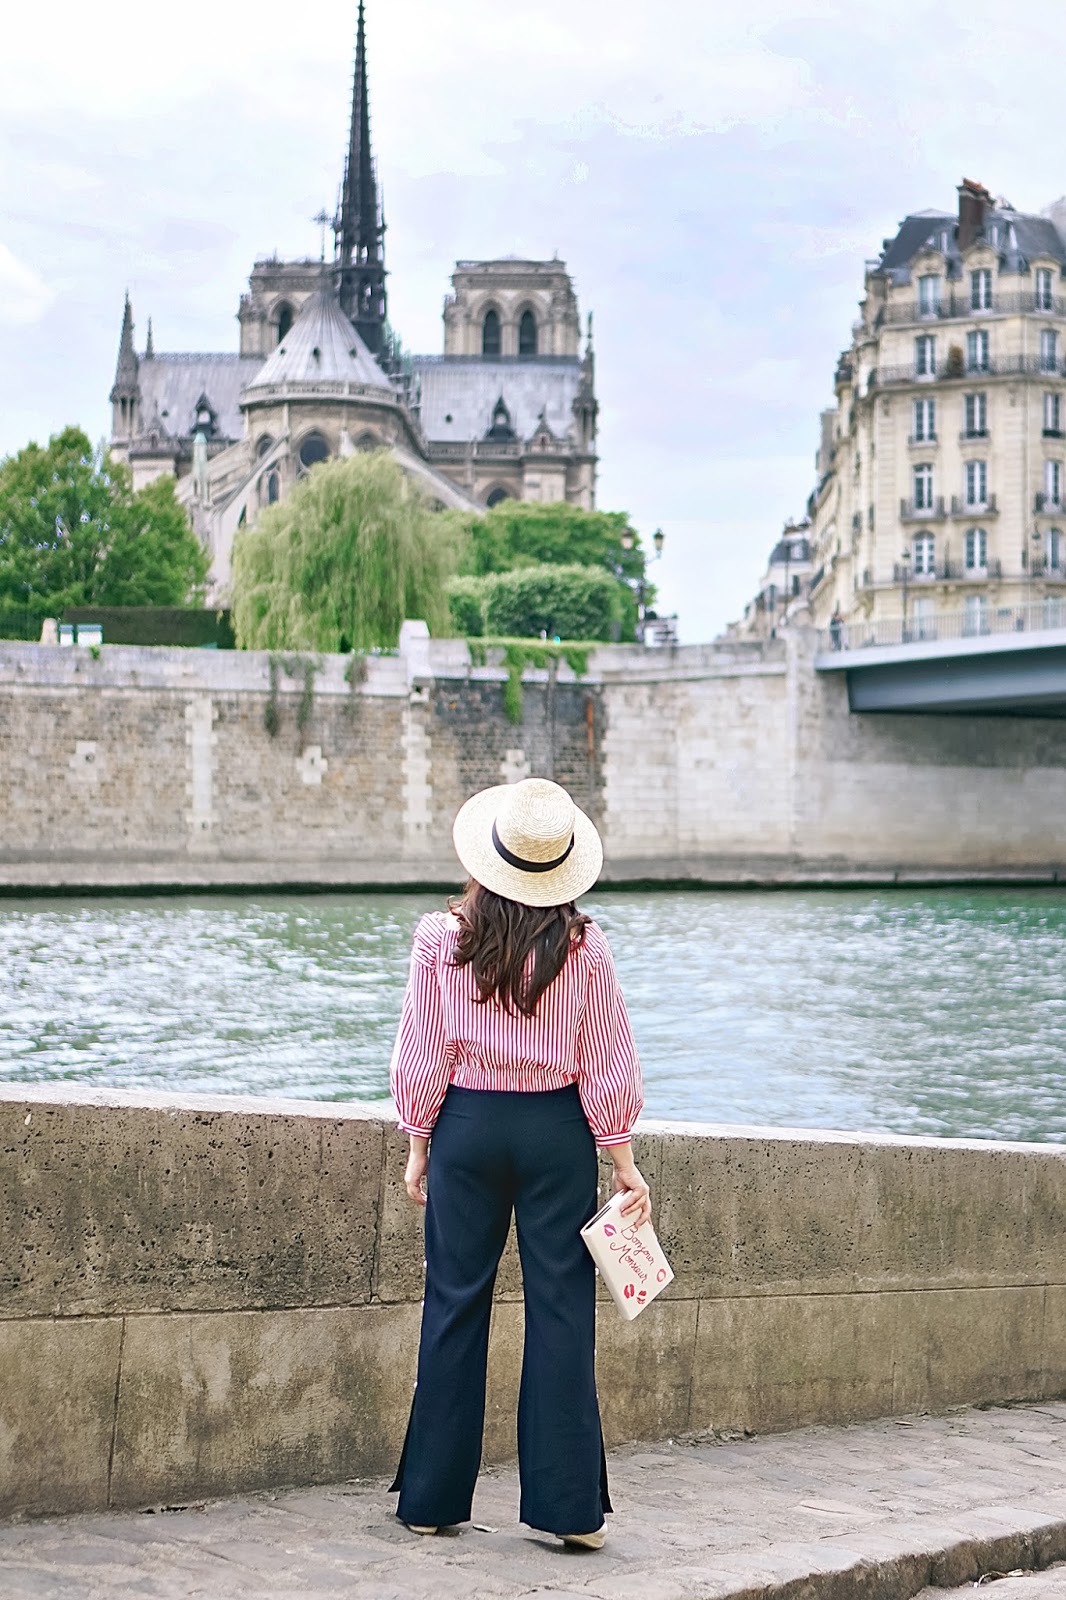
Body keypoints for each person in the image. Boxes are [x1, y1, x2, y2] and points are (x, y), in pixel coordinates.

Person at [388, 776, 649, 1550]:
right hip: (556, 1136)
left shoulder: (442, 938)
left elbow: (422, 1049)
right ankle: (570, 1513)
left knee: (455, 1306)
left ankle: (432, 1499)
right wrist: (622, 1159)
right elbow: (608, 1062)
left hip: (467, 1125)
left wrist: (417, 1140)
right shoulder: (585, 946)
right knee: (562, 1313)